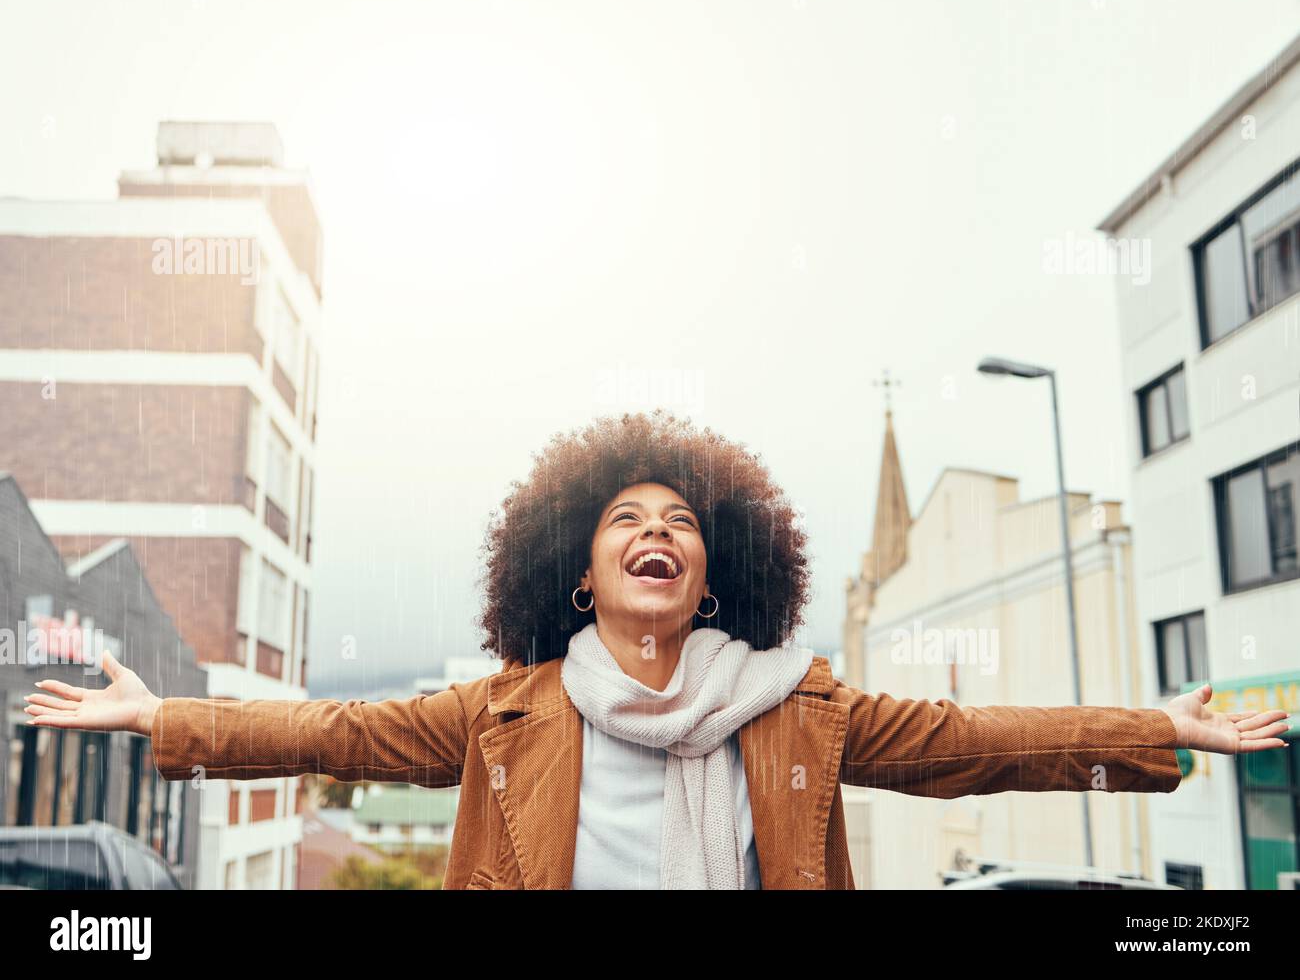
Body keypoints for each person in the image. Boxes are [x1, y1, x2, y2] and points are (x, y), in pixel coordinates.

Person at [24, 410, 1291, 890]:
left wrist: (1160, 731)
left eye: (679, 521)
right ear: (578, 577)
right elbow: (332, 732)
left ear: (709, 574)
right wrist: (159, 717)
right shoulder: (504, 713)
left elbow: (973, 747)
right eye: (624, 518)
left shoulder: (793, 702)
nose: (655, 532)